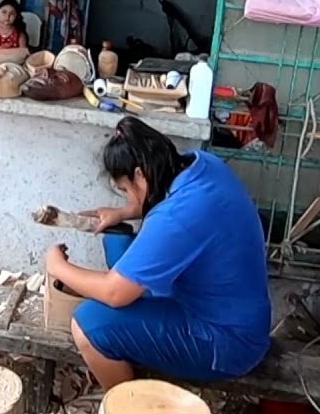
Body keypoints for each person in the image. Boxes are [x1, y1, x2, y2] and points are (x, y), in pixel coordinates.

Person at [44, 116, 271, 389]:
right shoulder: (201, 164)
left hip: (226, 341)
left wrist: (58, 267)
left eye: (127, 190)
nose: (128, 198)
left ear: (141, 174)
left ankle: (128, 405)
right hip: (230, 309)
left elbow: (115, 294)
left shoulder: (177, 217)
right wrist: (125, 212)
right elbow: (167, 203)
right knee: (118, 241)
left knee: (88, 324)